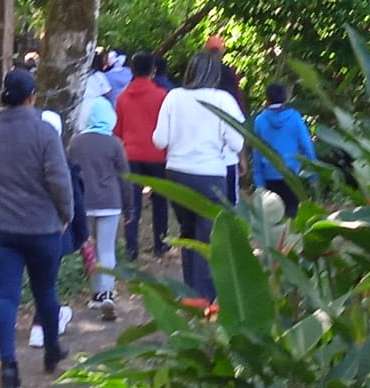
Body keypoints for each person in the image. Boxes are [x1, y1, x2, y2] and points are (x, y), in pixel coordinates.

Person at [0, 69, 74, 388]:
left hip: (1, 226)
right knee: (45, 290)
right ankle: (52, 348)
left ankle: (8, 365)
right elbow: (59, 180)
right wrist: (65, 214)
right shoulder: (45, 132)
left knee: (6, 294)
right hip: (42, 227)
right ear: (32, 96)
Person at [153, 51, 244, 301]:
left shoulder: (173, 97)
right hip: (210, 175)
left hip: (176, 173)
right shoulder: (223, 100)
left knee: (188, 231)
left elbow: (159, 139)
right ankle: (205, 298)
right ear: (214, 74)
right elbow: (237, 142)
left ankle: (191, 293)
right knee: (209, 236)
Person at [68, 95, 131, 321]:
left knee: (90, 249)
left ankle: (96, 294)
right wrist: (130, 208)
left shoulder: (76, 142)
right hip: (110, 203)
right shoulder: (114, 143)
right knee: (107, 249)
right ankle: (107, 293)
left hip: (84, 203)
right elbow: (124, 177)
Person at [29, 109, 86, 349]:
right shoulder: (62, 163)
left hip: (22, 228)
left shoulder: (25, 161)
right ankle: (40, 326)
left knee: (39, 279)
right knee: (47, 281)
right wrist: (82, 233)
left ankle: (49, 319)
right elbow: (75, 200)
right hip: (54, 230)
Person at [114, 52, 170, 260]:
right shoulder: (162, 96)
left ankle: (131, 247)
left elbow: (117, 131)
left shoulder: (121, 98)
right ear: (153, 70)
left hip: (131, 155)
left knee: (132, 202)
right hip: (158, 154)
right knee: (160, 200)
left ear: (132, 70)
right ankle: (161, 242)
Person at [252, 83, 317, 218]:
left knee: (273, 220)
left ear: (267, 99)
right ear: (285, 98)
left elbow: (257, 152)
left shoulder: (260, 121)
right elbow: (306, 147)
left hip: (269, 177)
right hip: (291, 175)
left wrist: (259, 182)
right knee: (292, 217)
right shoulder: (295, 118)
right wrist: (314, 174)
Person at [204, 35, 247, 204]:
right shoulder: (230, 74)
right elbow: (239, 119)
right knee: (230, 205)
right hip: (227, 153)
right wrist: (242, 156)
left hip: (202, 157)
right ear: (222, 51)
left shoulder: (198, 76)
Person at [78, 49, 112, 132]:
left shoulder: (79, 74)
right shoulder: (99, 76)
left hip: (80, 104)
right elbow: (108, 93)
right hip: (94, 105)